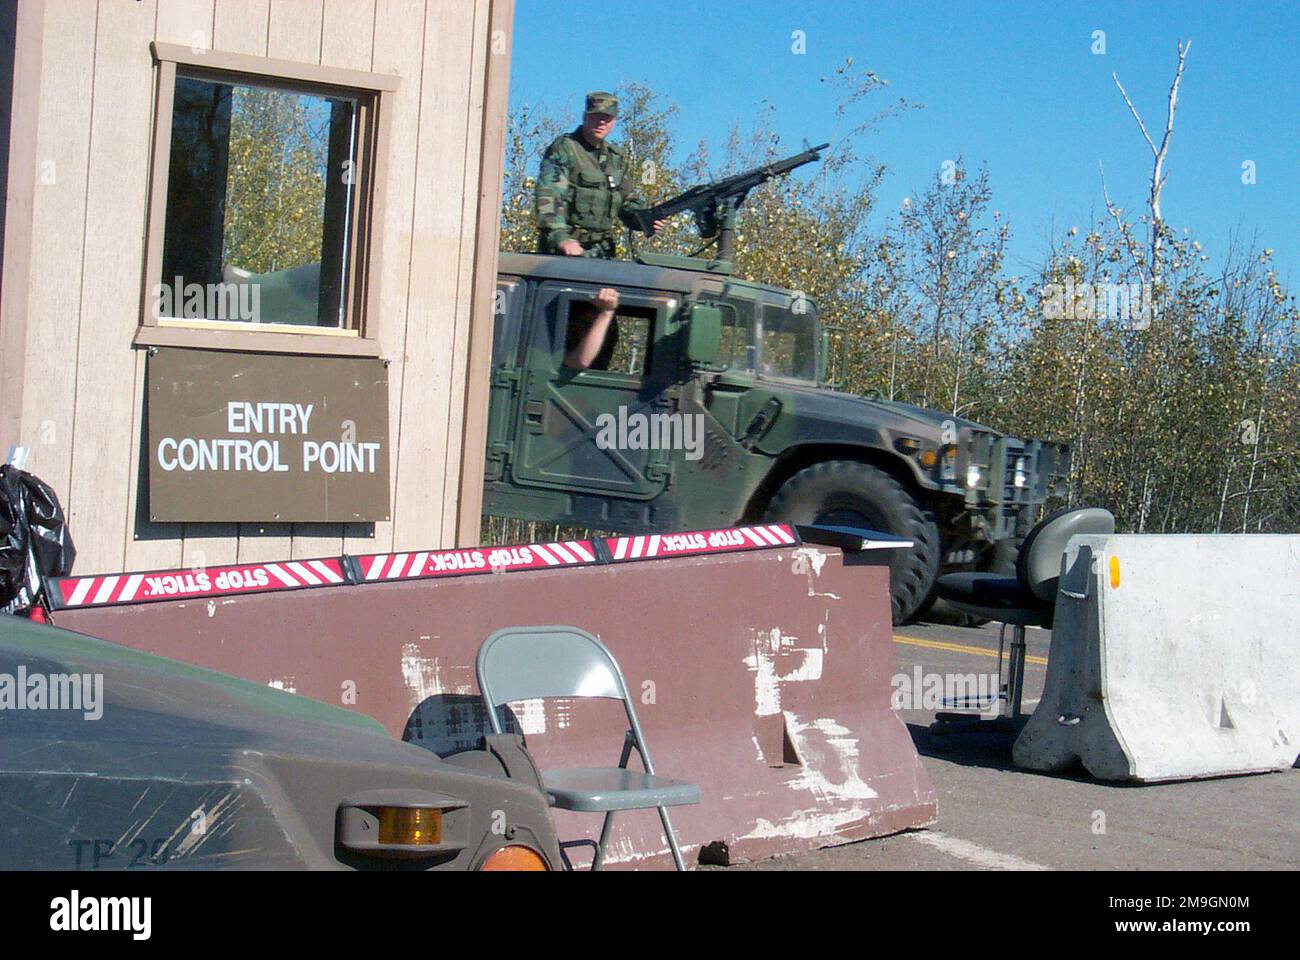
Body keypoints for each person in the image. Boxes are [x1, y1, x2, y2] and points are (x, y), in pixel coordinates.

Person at [535, 91, 665, 259]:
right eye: (596, 116)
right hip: (563, 253)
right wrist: (561, 238)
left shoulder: (616, 159)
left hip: (601, 253)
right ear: (585, 117)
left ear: (614, 122)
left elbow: (627, 202)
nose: (601, 122)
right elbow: (549, 196)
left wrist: (646, 218)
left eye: (607, 118)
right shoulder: (565, 148)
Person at [563, 287, 620, 370]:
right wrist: (606, 312)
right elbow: (580, 362)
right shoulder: (560, 345)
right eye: (588, 325)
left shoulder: (602, 357)